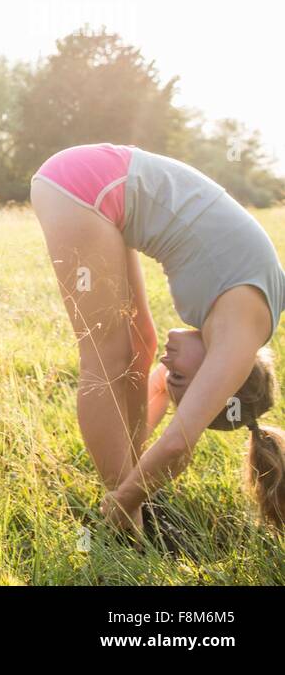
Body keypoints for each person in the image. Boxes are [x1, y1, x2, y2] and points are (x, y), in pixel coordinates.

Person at [30, 143, 285, 534]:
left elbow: (158, 391)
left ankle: (121, 481)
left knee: (141, 341)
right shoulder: (239, 331)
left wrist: (132, 463)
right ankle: (124, 529)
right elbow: (177, 445)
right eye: (180, 377)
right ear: (214, 373)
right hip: (87, 186)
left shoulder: (240, 321)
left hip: (101, 189)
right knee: (107, 353)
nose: (167, 368)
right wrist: (123, 502)